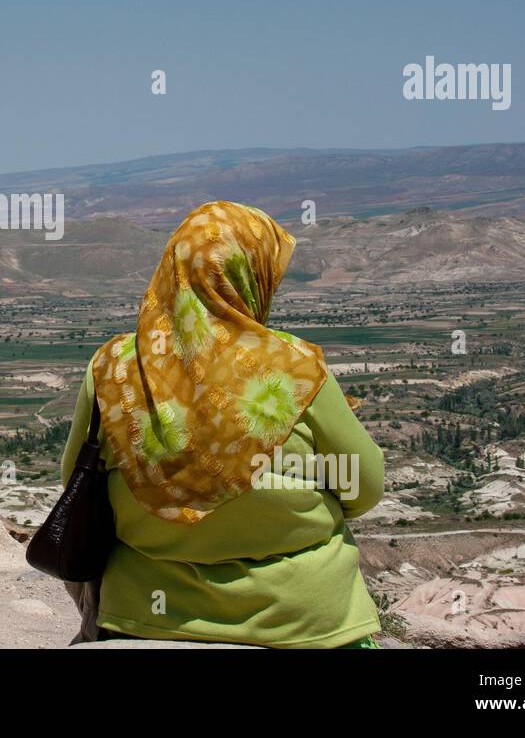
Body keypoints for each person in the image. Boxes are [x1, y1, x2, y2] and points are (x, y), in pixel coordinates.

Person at [61, 201, 384, 647]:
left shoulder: (112, 367)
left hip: (146, 614)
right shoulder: (298, 369)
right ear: (253, 276)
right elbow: (364, 488)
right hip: (304, 621)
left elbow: (75, 481)